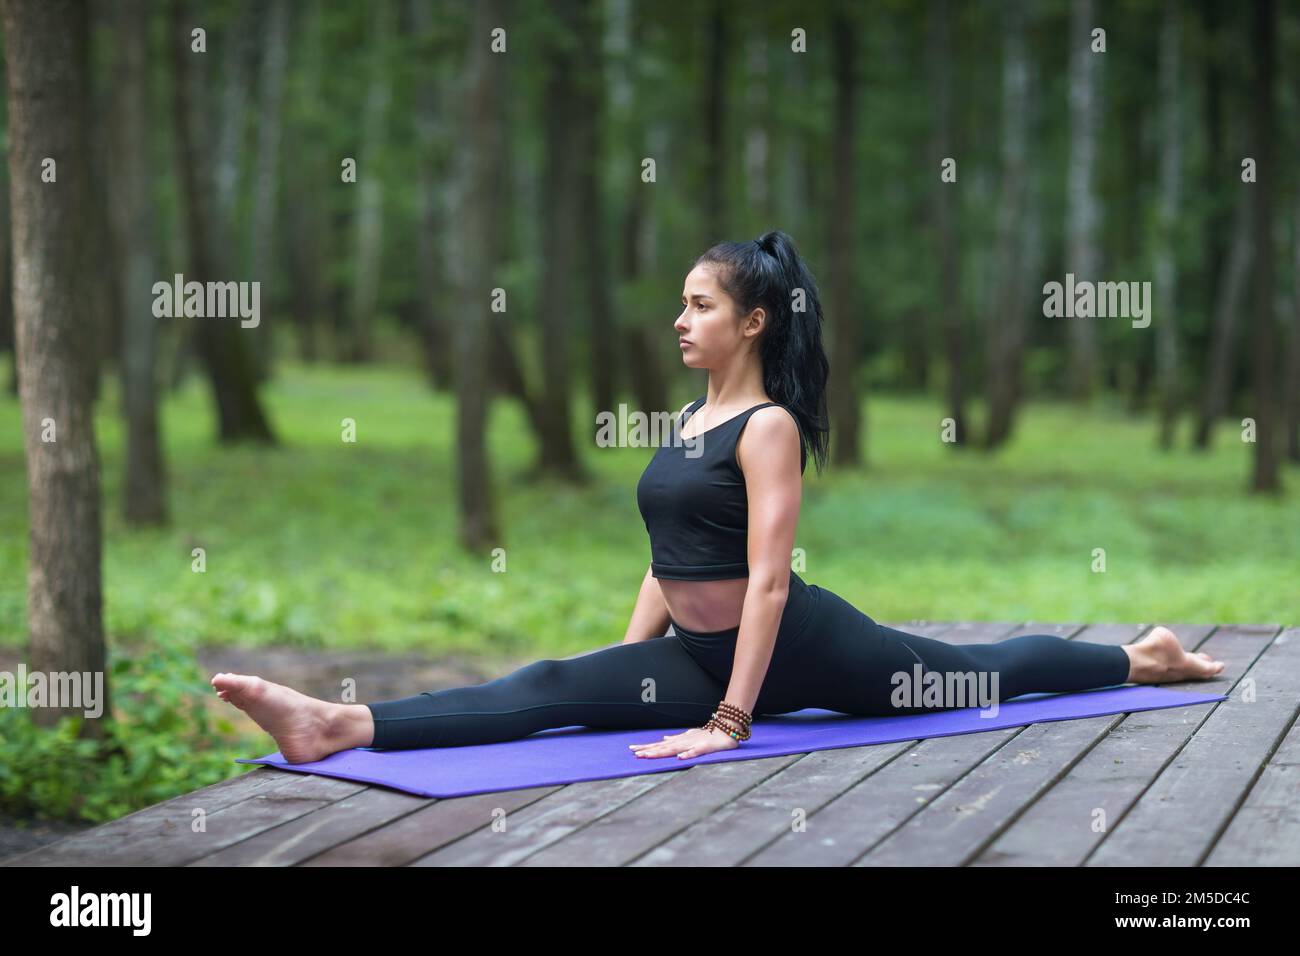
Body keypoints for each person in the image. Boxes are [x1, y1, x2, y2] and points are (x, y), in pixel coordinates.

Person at [211, 230, 1224, 764]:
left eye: (699, 305)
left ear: (750, 323)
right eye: (682, 303)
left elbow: (770, 579)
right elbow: (667, 558)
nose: (679, 320)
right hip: (697, 650)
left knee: (979, 672)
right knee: (546, 686)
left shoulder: (768, 426)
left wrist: (732, 719)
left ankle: (1140, 655)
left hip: (804, 647)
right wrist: (621, 658)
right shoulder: (685, 423)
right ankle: (335, 724)